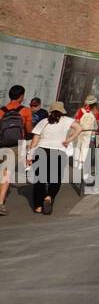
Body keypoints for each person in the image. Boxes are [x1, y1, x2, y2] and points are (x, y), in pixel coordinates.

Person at [28, 101, 83, 215]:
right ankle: (49, 197)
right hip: (58, 151)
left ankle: (38, 206)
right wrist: (69, 140)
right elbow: (79, 128)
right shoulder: (67, 120)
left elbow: (35, 139)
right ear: (62, 111)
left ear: (51, 111)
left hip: (41, 150)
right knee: (55, 178)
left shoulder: (43, 121)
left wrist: (29, 155)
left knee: (39, 179)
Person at [1, 85, 33, 217]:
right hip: (15, 146)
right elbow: (29, 130)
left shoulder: (2, 110)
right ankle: (0, 203)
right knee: (6, 174)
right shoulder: (25, 111)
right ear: (21, 96)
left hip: (1, 144)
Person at [73, 96, 99, 182]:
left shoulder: (81, 110)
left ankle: (75, 163)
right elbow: (98, 123)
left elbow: (76, 120)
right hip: (89, 132)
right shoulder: (96, 111)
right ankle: (81, 164)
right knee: (85, 148)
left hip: (80, 130)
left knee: (77, 146)